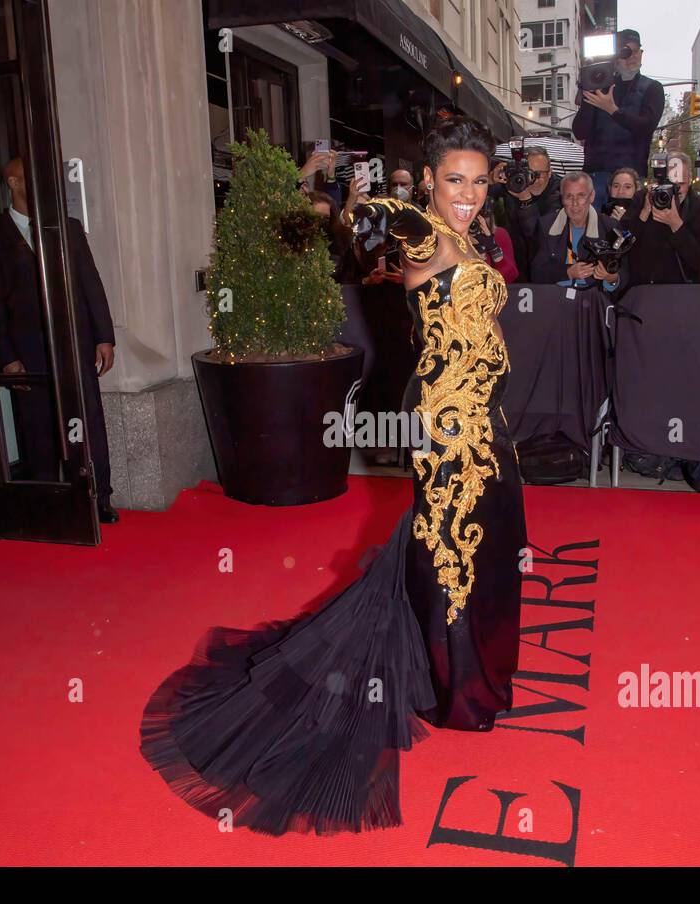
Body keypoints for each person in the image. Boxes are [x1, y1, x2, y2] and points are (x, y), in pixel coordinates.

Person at [140, 116, 525, 836]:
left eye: (477, 180)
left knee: (482, 550)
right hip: (449, 430)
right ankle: (456, 691)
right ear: (429, 182)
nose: (467, 193)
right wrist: (354, 205)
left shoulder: (468, 235)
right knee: (451, 559)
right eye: (453, 181)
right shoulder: (423, 230)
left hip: (484, 424)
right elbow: (374, 218)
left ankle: (464, 673)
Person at [0, 157, 118, 522]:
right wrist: (6, 356)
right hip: (27, 351)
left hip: (75, 343)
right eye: (32, 177)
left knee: (88, 421)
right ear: (12, 182)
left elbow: (91, 283)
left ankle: (98, 498)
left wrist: (104, 337)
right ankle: (46, 501)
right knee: (37, 425)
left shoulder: (68, 227)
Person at [571, 29, 665, 207]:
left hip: (632, 177)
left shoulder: (652, 88)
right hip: (597, 176)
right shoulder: (599, 85)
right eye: (625, 51)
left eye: (635, 51)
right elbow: (579, 131)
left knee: (630, 231)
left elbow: (646, 126)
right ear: (615, 57)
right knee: (594, 231)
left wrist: (612, 109)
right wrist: (590, 90)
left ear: (642, 54)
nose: (631, 56)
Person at [620, 151, 700, 286]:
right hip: (643, 287)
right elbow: (621, 242)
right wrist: (644, 213)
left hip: (682, 290)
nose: (676, 190)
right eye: (670, 183)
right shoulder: (642, 199)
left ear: (690, 178)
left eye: (680, 184)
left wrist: (676, 225)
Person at [524, 171, 625, 293]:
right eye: (569, 196)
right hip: (555, 298)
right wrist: (567, 272)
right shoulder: (546, 225)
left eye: (581, 195)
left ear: (592, 196)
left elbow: (624, 278)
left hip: (592, 301)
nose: (575, 203)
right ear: (562, 199)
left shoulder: (609, 227)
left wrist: (611, 278)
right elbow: (536, 274)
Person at [490, 145, 560, 281]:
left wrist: (525, 200)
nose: (535, 180)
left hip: (544, 270)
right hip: (514, 260)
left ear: (550, 172)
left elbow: (537, 236)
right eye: (531, 174)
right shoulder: (515, 182)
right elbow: (477, 194)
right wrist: (490, 179)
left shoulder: (560, 194)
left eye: (540, 174)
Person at [471, 208, 518, 283]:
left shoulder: (499, 235)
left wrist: (493, 247)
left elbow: (510, 277)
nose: (473, 224)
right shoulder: (453, 239)